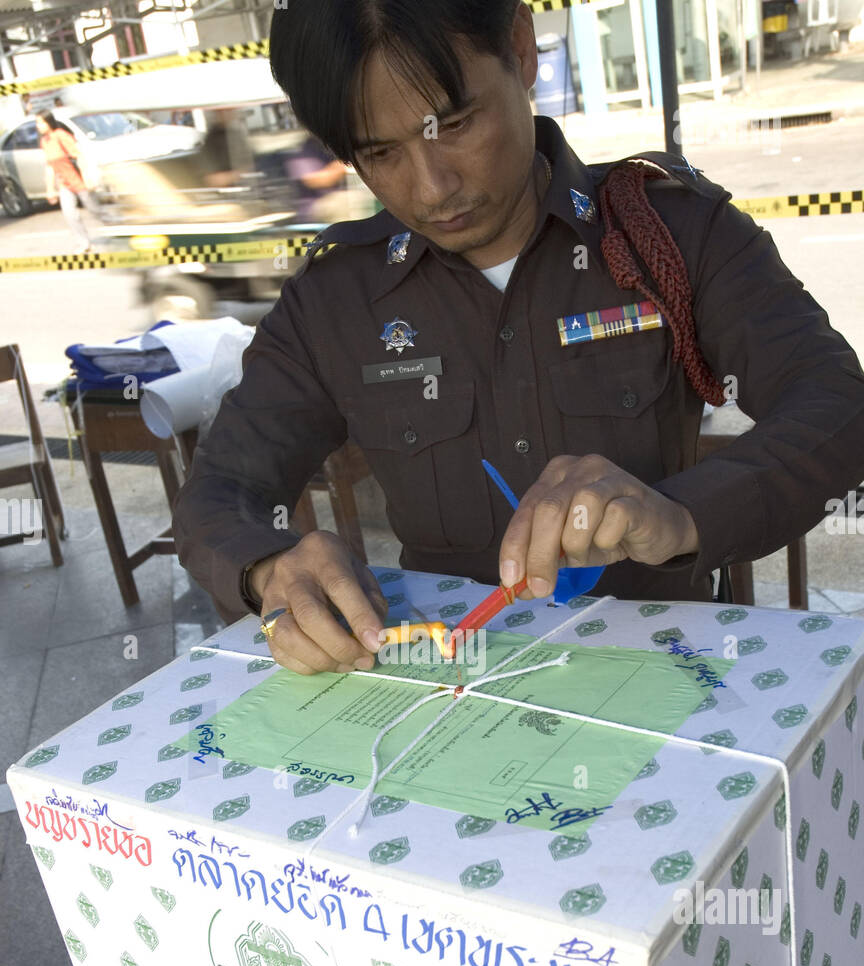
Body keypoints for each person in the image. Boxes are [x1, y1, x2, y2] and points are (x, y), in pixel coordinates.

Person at [172, 0, 864, 677]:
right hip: (447, 691)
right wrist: (269, 570)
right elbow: (223, 487)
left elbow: (838, 405)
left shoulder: (668, 236)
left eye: (456, 123)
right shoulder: (336, 299)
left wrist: (678, 515)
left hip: (670, 674)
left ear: (522, 48)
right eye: (380, 153)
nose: (433, 186)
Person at [36, 112, 101, 252]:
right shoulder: (45, 141)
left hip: (78, 181)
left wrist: (86, 178)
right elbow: (49, 166)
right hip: (64, 184)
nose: (38, 126)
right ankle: (84, 244)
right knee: (70, 214)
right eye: (37, 123)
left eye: (41, 122)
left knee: (95, 210)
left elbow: (78, 156)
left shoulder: (61, 135)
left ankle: (118, 229)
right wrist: (50, 189)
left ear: (49, 122)